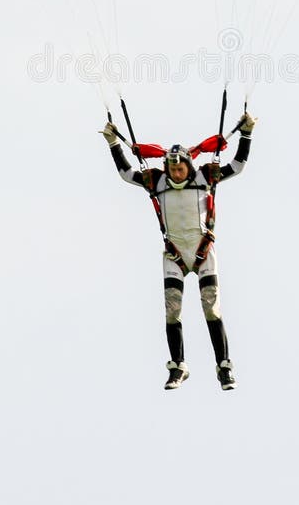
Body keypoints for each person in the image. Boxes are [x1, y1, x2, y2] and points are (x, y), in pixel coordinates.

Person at [100, 113, 256, 390]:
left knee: (211, 306)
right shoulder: (156, 181)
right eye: (172, 170)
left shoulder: (206, 176)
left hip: (202, 251)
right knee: (172, 311)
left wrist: (246, 134)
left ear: (187, 165)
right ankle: (178, 367)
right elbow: (126, 174)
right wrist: (114, 143)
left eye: (179, 169)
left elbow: (238, 165)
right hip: (174, 255)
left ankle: (224, 367)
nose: (175, 174)